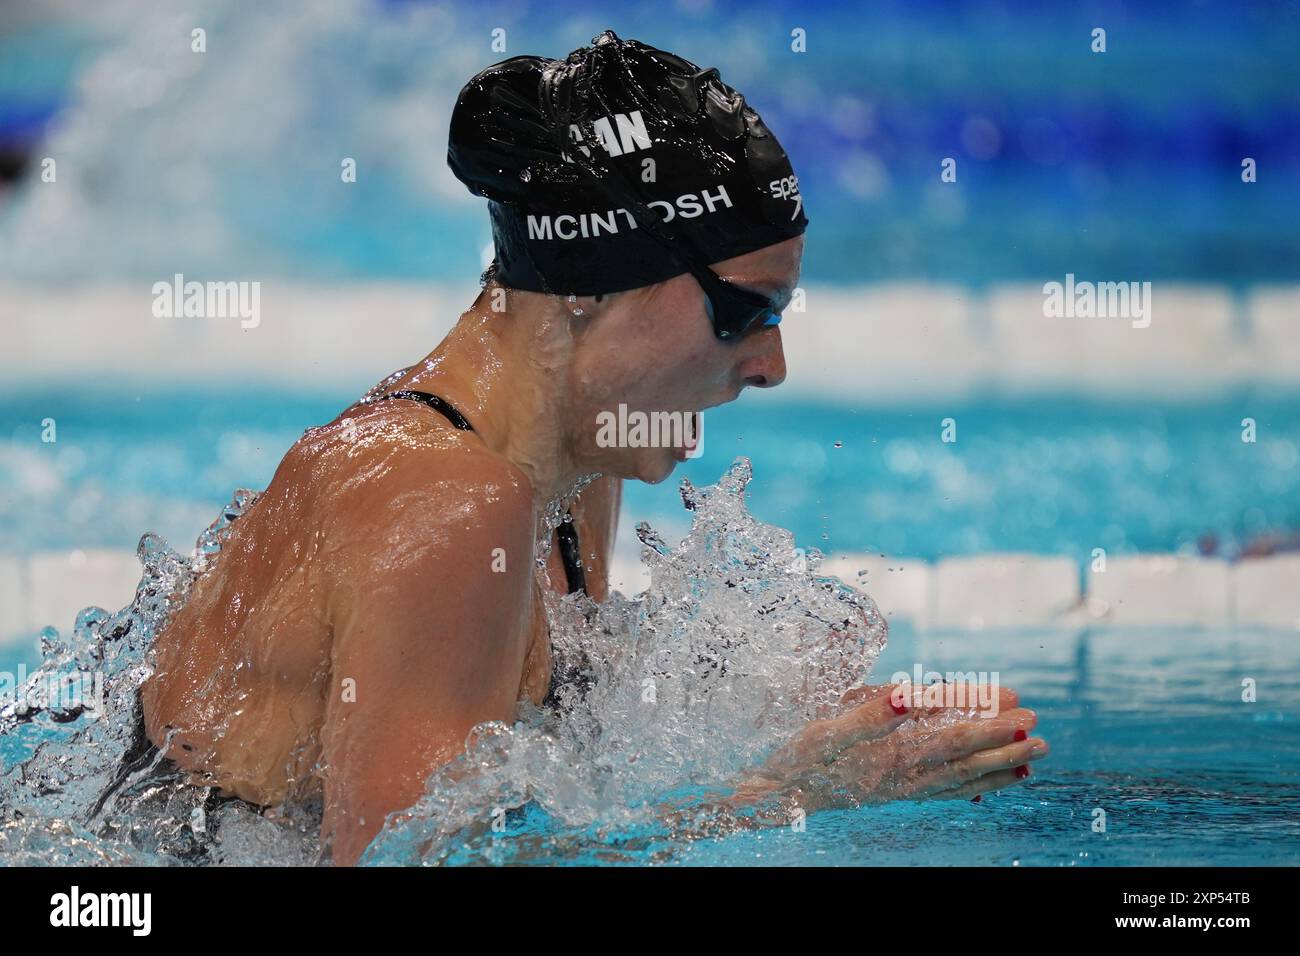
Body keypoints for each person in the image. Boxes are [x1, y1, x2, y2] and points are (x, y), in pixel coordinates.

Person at [138, 30, 1048, 866]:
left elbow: (547, 772)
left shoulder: (571, 471)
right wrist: (782, 799)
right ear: (591, 285)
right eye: (743, 313)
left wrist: (838, 731)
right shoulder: (448, 504)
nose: (771, 365)